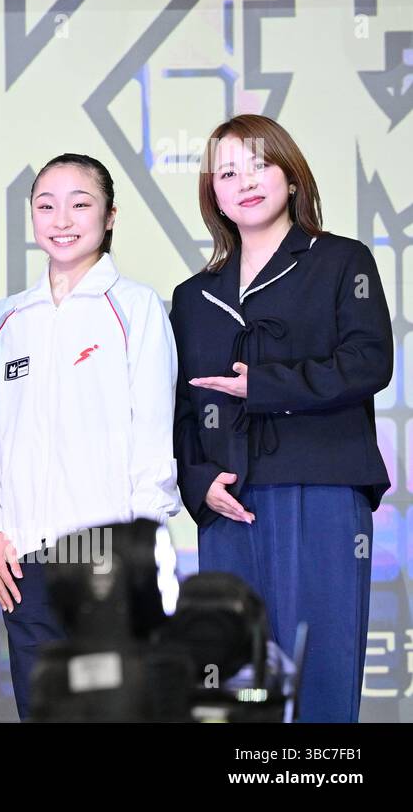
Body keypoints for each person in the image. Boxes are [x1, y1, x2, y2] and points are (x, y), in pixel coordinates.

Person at [170, 114, 392, 722]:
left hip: (319, 488)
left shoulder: (343, 261)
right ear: (211, 192)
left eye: (260, 164)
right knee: (238, 685)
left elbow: (369, 362)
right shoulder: (194, 294)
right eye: (227, 171)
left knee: (319, 665)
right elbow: (184, 408)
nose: (245, 181)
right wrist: (197, 481)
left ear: (291, 177)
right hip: (228, 504)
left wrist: (262, 384)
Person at [0, 152, 181, 720]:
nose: (62, 218)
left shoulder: (135, 308)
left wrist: (142, 550)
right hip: (23, 559)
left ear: (110, 216)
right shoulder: (5, 318)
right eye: (46, 205)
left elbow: (154, 436)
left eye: (80, 204)